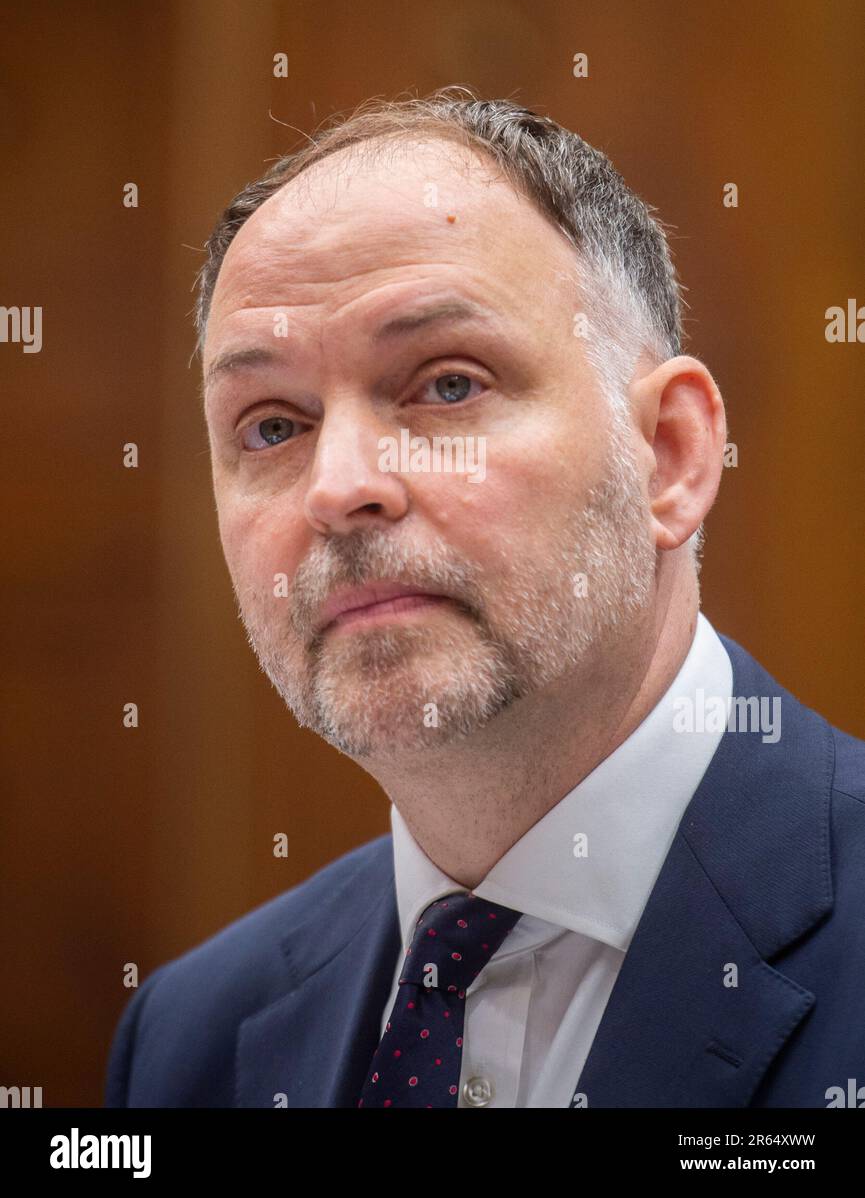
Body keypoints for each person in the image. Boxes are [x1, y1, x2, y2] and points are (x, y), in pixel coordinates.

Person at [105, 88, 865, 1108]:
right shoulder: (189, 1040)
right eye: (272, 427)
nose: (338, 487)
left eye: (447, 384)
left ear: (670, 456)